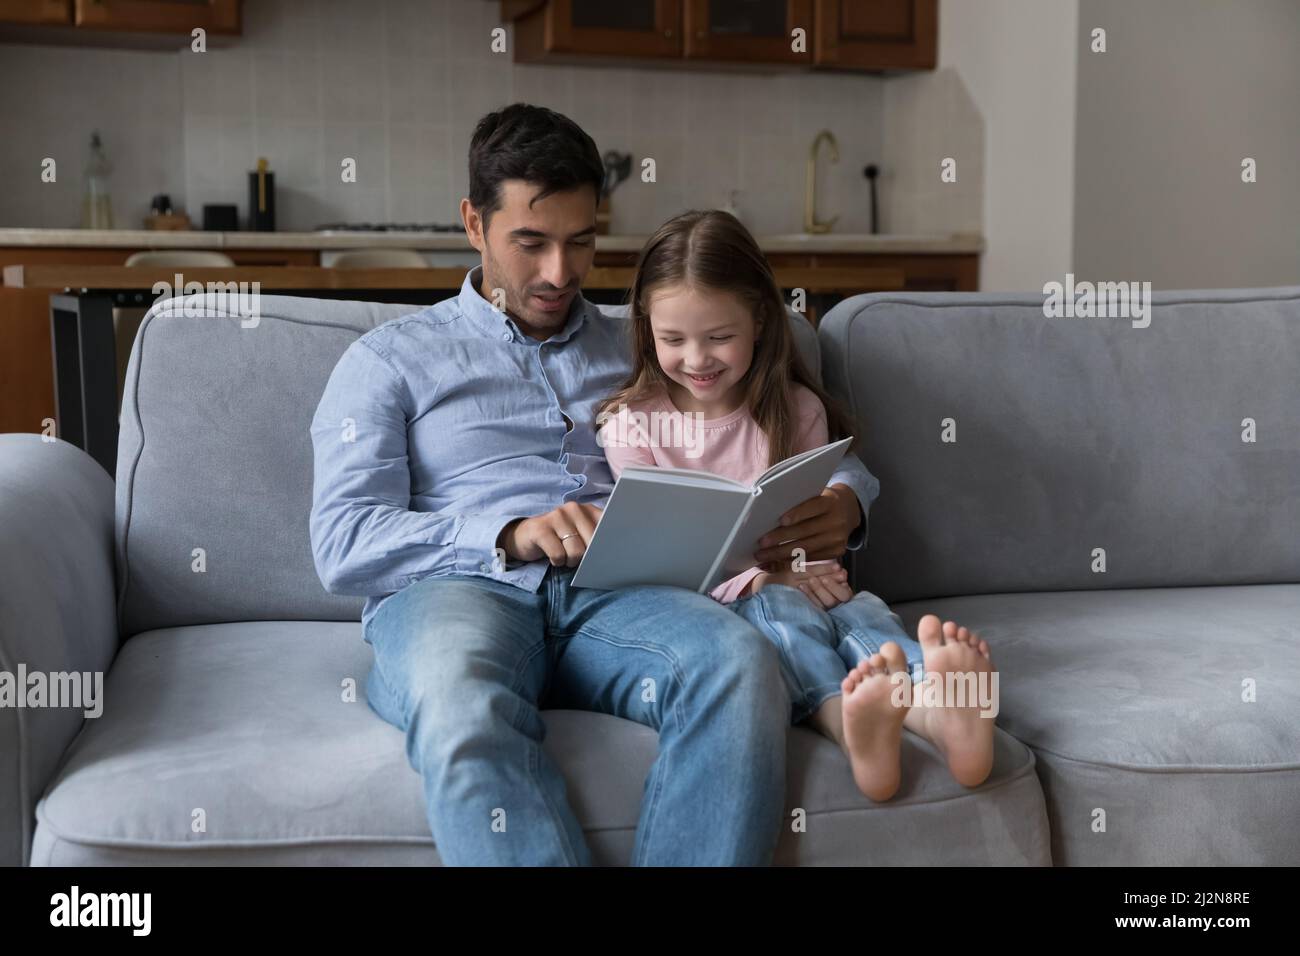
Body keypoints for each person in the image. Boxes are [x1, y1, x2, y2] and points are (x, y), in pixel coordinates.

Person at [308, 105, 879, 865]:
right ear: (473, 223)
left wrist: (845, 499)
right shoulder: (389, 361)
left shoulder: (654, 338)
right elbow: (342, 543)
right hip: (459, 591)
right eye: (531, 243)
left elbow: (777, 413)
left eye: (581, 243)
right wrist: (505, 535)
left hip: (622, 588)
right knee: (459, 706)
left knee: (739, 663)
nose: (558, 273)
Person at [598, 209, 997, 802]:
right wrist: (765, 581)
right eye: (673, 339)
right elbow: (661, 568)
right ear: (645, 326)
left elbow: (818, 503)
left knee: (864, 615)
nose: (697, 359)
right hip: (732, 606)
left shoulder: (796, 407)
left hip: (807, 582)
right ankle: (847, 721)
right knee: (783, 622)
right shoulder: (631, 426)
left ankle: (937, 708)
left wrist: (810, 565)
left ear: (759, 319)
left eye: (720, 337)